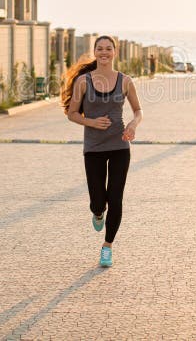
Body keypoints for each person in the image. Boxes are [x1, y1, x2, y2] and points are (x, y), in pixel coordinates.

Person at [62, 35, 143, 267]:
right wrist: (92, 122)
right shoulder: (83, 82)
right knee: (98, 201)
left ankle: (107, 246)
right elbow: (72, 114)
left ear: (115, 53)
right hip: (94, 148)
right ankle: (98, 213)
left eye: (108, 49)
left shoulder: (125, 81)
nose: (104, 52)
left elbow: (138, 110)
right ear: (95, 52)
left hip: (119, 146)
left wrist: (132, 125)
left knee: (116, 198)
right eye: (100, 49)